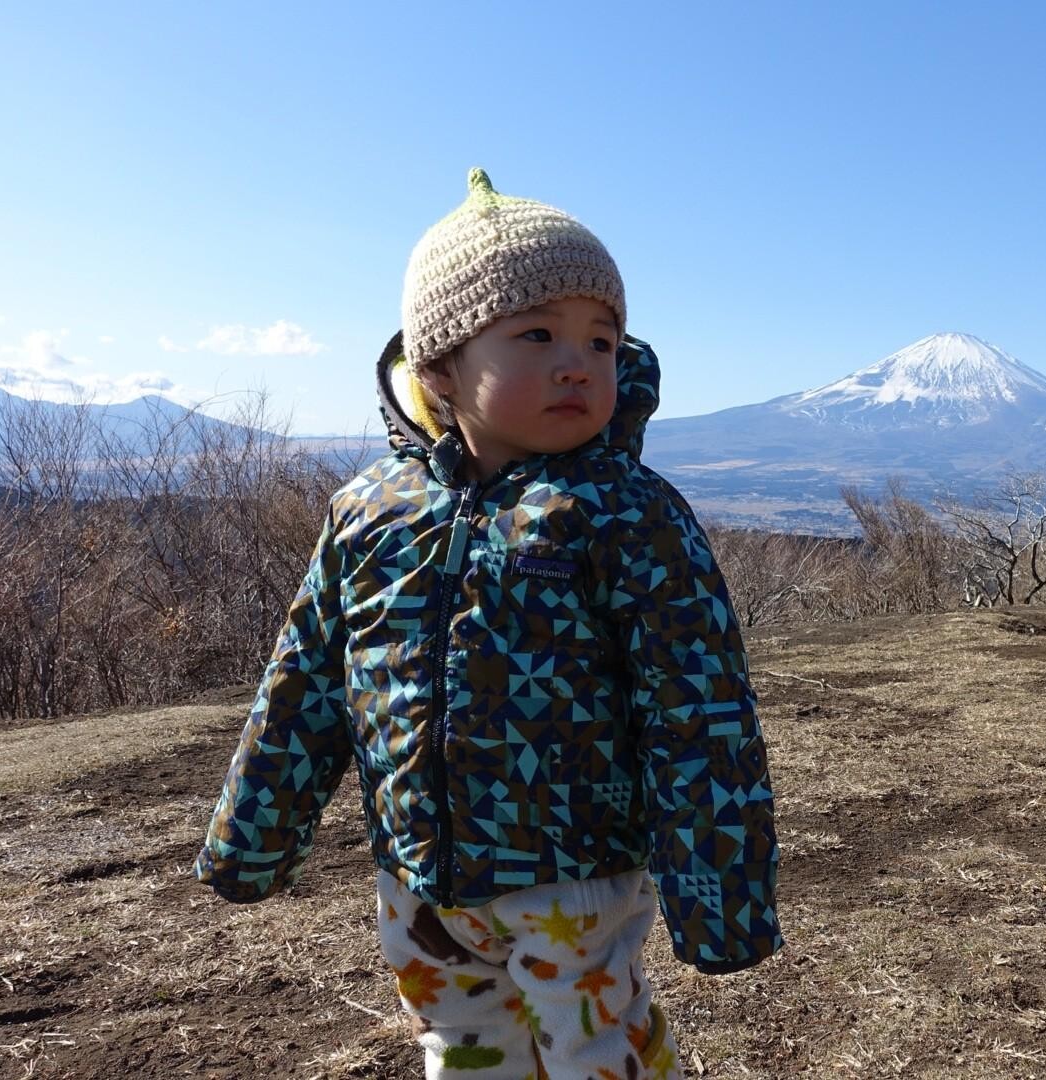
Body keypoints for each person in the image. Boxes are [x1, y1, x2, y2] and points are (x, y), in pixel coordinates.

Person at [194, 168, 782, 1080]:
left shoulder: (626, 512)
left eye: (602, 338)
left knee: (596, 1050)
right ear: (439, 366)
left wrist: (723, 899)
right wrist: (252, 837)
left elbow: (699, 711)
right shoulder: (368, 511)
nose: (578, 362)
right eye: (537, 333)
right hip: (418, 881)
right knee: (464, 1053)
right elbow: (306, 680)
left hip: (575, 880)